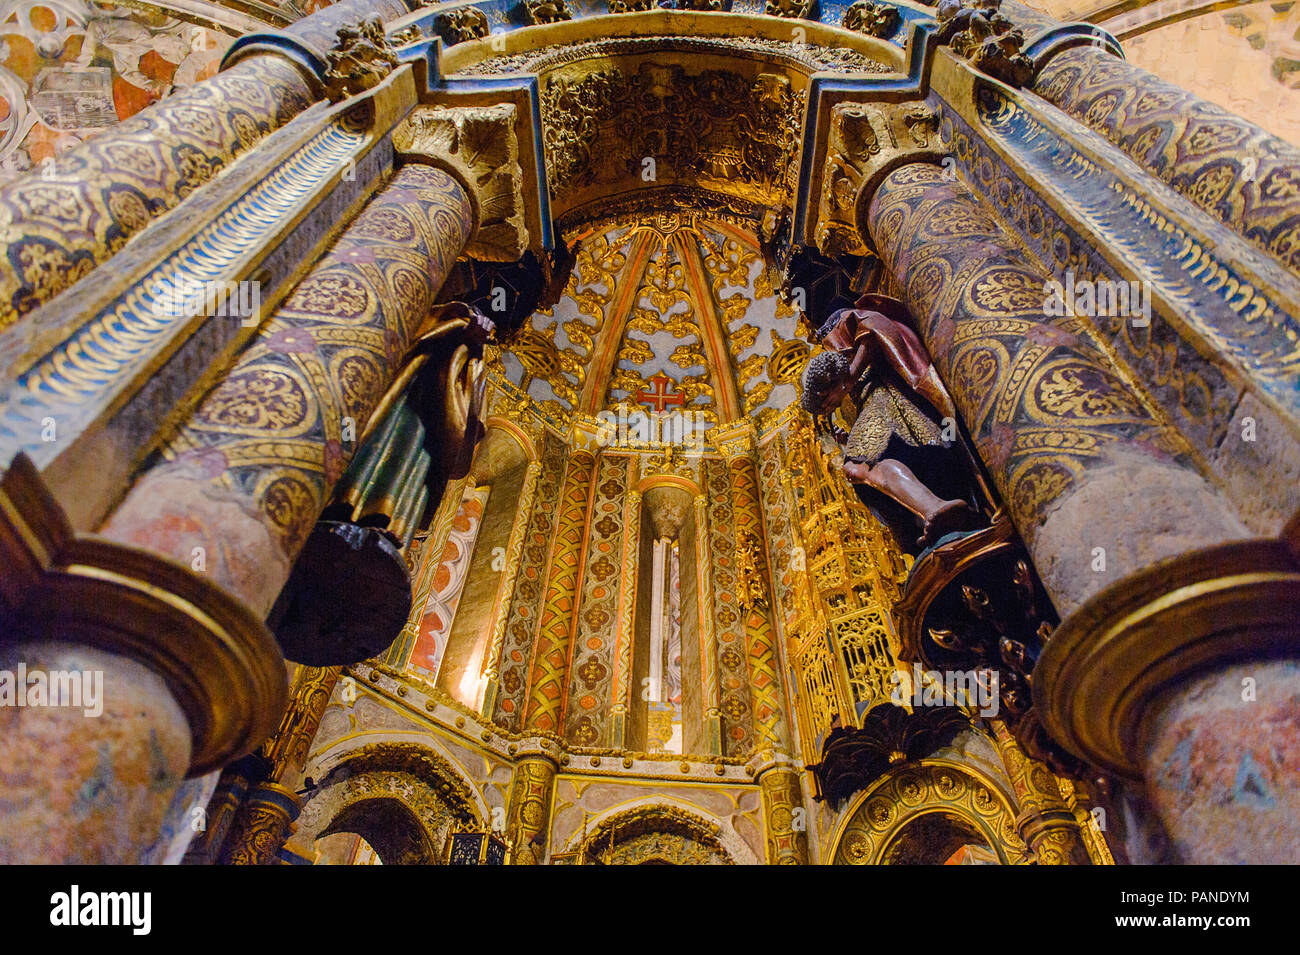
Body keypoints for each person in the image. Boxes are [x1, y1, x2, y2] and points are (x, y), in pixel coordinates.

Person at [800, 294, 978, 550]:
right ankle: (926, 511)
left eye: (827, 402)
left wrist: (848, 379)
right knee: (856, 468)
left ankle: (933, 508)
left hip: (885, 399)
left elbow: (873, 329)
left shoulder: (837, 325)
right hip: (878, 406)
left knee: (856, 466)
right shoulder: (833, 353)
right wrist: (849, 439)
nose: (830, 406)